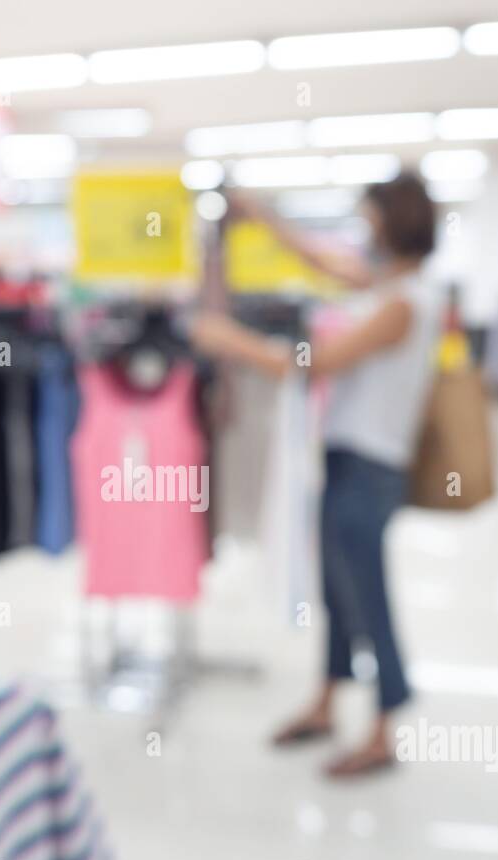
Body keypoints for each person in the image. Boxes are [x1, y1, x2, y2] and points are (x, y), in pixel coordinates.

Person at [190, 170, 442, 777]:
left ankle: (384, 727)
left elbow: (314, 364)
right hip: (349, 460)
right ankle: (328, 703)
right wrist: (262, 213)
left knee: (367, 597)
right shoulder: (390, 286)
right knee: (338, 593)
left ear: (392, 224)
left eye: (370, 221)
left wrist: (230, 340)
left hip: (370, 467)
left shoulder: (406, 303)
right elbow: (320, 259)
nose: (364, 233)